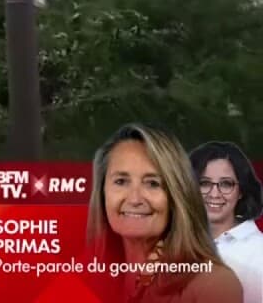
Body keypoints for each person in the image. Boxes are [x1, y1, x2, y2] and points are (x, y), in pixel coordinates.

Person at [86, 123, 243, 303]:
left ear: (177, 196)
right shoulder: (87, 274)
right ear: (102, 192)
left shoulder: (213, 284)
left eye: (153, 183)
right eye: (121, 181)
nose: (135, 199)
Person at [190, 141, 263, 303]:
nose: (214, 194)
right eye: (204, 183)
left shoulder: (258, 253)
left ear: (241, 191)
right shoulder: (174, 242)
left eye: (226, 184)